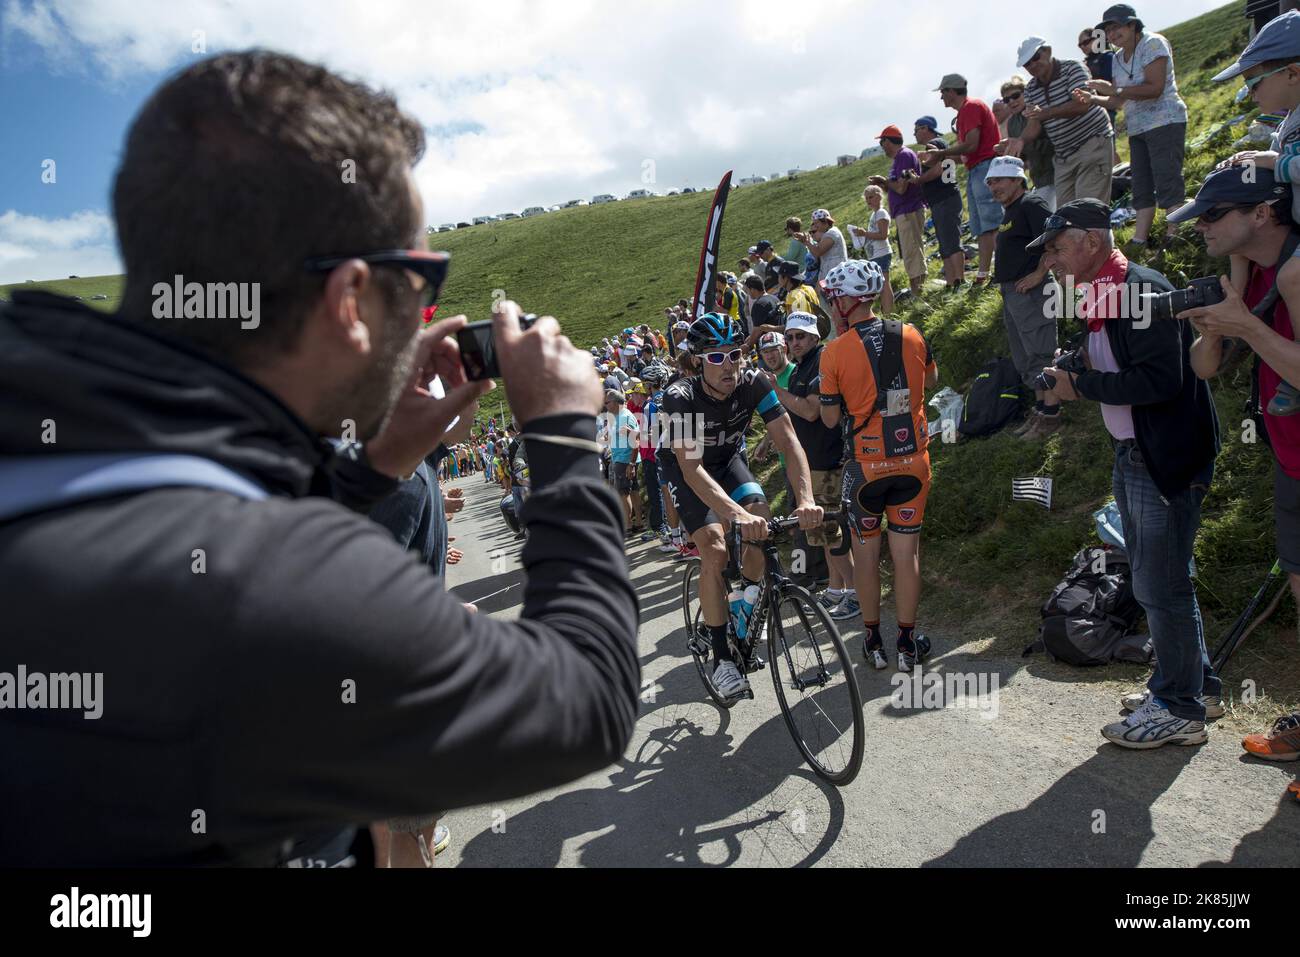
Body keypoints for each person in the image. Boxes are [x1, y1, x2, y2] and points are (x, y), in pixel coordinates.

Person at [0, 49, 639, 866]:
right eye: (419, 279)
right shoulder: (277, 584)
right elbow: (588, 700)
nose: (427, 313)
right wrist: (558, 430)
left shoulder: (65, 425)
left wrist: (371, 467)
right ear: (349, 301)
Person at [1029, 199, 1222, 749]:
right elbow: (1126, 365)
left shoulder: (1136, 289)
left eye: (1058, 247)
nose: (1052, 261)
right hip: (1138, 453)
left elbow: (1160, 381)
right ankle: (1195, 688)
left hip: (1160, 455)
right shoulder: (1105, 292)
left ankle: (1178, 706)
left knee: (1159, 584)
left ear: (1092, 241)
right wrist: (1080, 366)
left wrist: (1079, 387)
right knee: (1162, 579)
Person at [1178, 168, 1300, 758]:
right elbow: (1206, 369)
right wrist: (1215, 327)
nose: (1200, 227)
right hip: (1289, 453)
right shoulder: (1246, 272)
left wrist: (1244, 325)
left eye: (1211, 214)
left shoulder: (1298, 269)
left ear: (1262, 213)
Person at [657, 313, 823, 700]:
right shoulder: (679, 398)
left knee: (763, 523)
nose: (728, 364)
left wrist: (807, 499)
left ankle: (746, 600)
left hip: (728, 460)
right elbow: (692, 468)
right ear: (698, 361)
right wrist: (735, 515)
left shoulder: (755, 383)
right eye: (716, 357)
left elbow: (789, 442)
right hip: (688, 469)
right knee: (714, 548)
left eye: (734, 354)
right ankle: (721, 660)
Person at [818, 261, 939, 670]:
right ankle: (907, 643)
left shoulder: (834, 351)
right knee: (907, 556)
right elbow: (933, 379)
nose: (831, 306)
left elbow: (831, 419)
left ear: (850, 301)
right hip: (913, 463)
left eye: (833, 299)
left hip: (865, 469)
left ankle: (873, 642)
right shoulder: (912, 333)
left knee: (866, 558)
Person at [1211, 9, 1300, 416]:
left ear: (1293, 73)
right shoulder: (1289, 120)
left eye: (1254, 80)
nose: (1248, 92)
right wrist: (1266, 156)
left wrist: (1273, 165)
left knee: (1291, 275)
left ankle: (1293, 370)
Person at [1075, 4, 1189, 254]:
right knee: (1141, 184)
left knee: (1167, 178)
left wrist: (1113, 90)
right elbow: (1118, 101)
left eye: (1116, 26)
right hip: (1137, 128)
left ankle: (1174, 234)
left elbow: (1154, 88)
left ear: (1132, 25)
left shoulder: (1153, 43)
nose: (1112, 33)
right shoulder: (1116, 59)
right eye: (1108, 29)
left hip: (1165, 121)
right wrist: (1093, 98)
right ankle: (1140, 240)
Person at [986, 156, 1062, 439]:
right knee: (1026, 356)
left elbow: (1053, 239)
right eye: (991, 182)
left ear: (1018, 179)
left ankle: (1052, 414)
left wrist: (1040, 274)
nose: (994, 187)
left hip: (1032, 292)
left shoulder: (1031, 204)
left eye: (1000, 180)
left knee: (1042, 351)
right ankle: (1041, 409)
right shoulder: (1010, 211)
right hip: (1013, 293)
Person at [1004, 37, 1114, 208]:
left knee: (1089, 209)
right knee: (1065, 215)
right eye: (1027, 64)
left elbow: (1081, 105)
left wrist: (1046, 113)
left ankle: (1096, 234)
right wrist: (1021, 140)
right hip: (1064, 155)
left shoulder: (1072, 68)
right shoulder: (1032, 88)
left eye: (1035, 58)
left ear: (1048, 51)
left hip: (1091, 141)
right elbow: (1035, 122)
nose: (1033, 65)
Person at [923, 74, 1002, 286]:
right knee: (982, 227)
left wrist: (941, 154)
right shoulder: (968, 110)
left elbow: (972, 145)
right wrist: (939, 157)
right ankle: (984, 274)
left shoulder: (970, 107)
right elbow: (966, 152)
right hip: (977, 168)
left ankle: (1002, 271)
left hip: (984, 167)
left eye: (942, 92)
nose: (941, 98)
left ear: (951, 90)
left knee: (992, 224)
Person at [867, 125, 928, 297]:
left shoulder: (904, 156)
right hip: (904, 210)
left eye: (882, 142)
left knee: (912, 252)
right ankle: (918, 292)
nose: (881, 146)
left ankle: (918, 294)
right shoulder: (900, 158)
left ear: (889, 141)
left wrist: (885, 181)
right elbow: (895, 187)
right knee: (911, 251)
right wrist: (884, 183)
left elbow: (901, 188)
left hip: (909, 210)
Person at [912, 116, 967, 289]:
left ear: (926, 128)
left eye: (916, 130)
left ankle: (959, 281)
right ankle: (952, 283)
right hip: (945, 198)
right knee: (946, 242)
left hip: (944, 198)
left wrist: (919, 179)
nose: (914, 135)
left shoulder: (932, 145)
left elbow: (937, 169)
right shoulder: (941, 143)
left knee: (950, 242)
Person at [1001, 75, 1057, 211]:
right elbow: (1022, 159)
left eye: (1015, 96)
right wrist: (1007, 150)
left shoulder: (1038, 110)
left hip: (1057, 172)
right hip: (1039, 178)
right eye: (1006, 99)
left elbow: (1052, 142)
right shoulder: (1012, 123)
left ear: (1025, 93)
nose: (1011, 101)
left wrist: (1022, 144)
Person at [850, 185, 896, 312]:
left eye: (871, 197)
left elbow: (883, 235)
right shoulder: (874, 214)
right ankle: (887, 310)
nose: (868, 201)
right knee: (882, 284)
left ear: (879, 196)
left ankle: (889, 312)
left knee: (884, 284)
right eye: (866, 199)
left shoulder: (881, 213)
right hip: (876, 254)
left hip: (881, 253)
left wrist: (864, 234)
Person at [605, 389, 644, 535]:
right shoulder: (617, 416)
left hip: (625, 460)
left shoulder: (625, 416)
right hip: (624, 459)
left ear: (615, 402)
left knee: (624, 493)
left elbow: (636, 440)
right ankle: (638, 523)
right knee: (633, 492)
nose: (605, 406)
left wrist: (631, 464)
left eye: (607, 403)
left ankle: (627, 526)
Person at [794, 209, 849, 311]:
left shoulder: (832, 234)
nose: (815, 226)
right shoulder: (828, 234)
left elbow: (818, 252)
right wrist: (808, 241)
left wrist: (806, 241)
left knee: (838, 306)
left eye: (816, 223)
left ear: (825, 221)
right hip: (830, 276)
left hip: (836, 276)